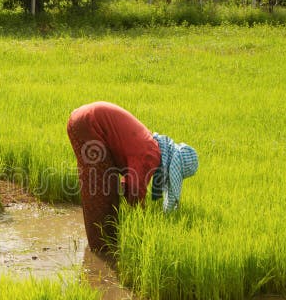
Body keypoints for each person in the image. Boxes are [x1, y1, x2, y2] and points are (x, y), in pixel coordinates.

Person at [66, 101, 198, 254]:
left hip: (84, 120)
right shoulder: (150, 154)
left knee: (104, 188)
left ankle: (100, 247)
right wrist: (141, 221)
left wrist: (124, 193)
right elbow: (135, 190)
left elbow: (129, 180)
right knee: (101, 194)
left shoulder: (152, 145)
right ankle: (102, 251)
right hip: (88, 124)